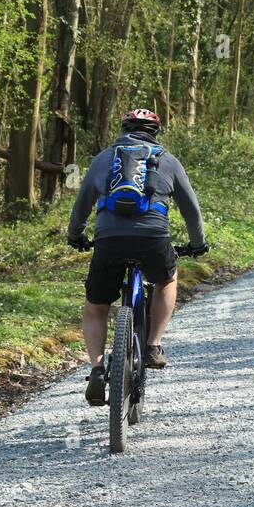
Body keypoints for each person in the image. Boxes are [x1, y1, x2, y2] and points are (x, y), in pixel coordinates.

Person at [67, 108, 208, 405]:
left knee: (96, 307)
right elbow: (191, 209)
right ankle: (154, 345)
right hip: (153, 238)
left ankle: (96, 368)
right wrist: (197, 244)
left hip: (109, 239)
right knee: (166, 279)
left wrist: (76, 235)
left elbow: (81, 206)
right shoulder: (167, 159)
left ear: (123, 129)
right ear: (155, 133)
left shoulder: (104, 158)